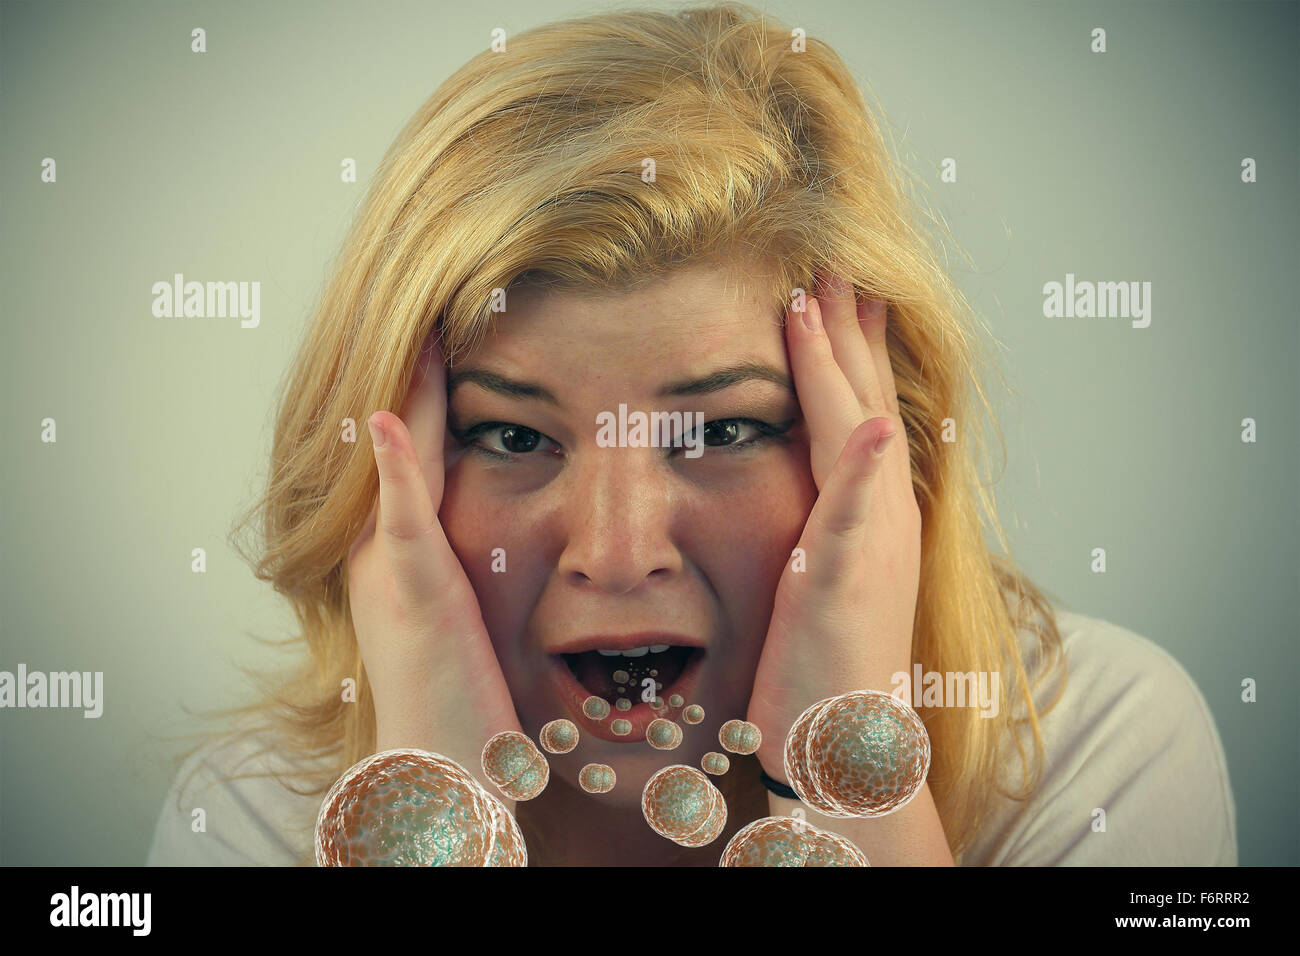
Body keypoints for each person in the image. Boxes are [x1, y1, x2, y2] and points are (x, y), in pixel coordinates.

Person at [146, 1, 1235, 867]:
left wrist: (851, 769)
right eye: (515, 439)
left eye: (718, 428)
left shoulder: (1097, 749)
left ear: (879, 441)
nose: (618, 554)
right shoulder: (264, 808)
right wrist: (435, 808)